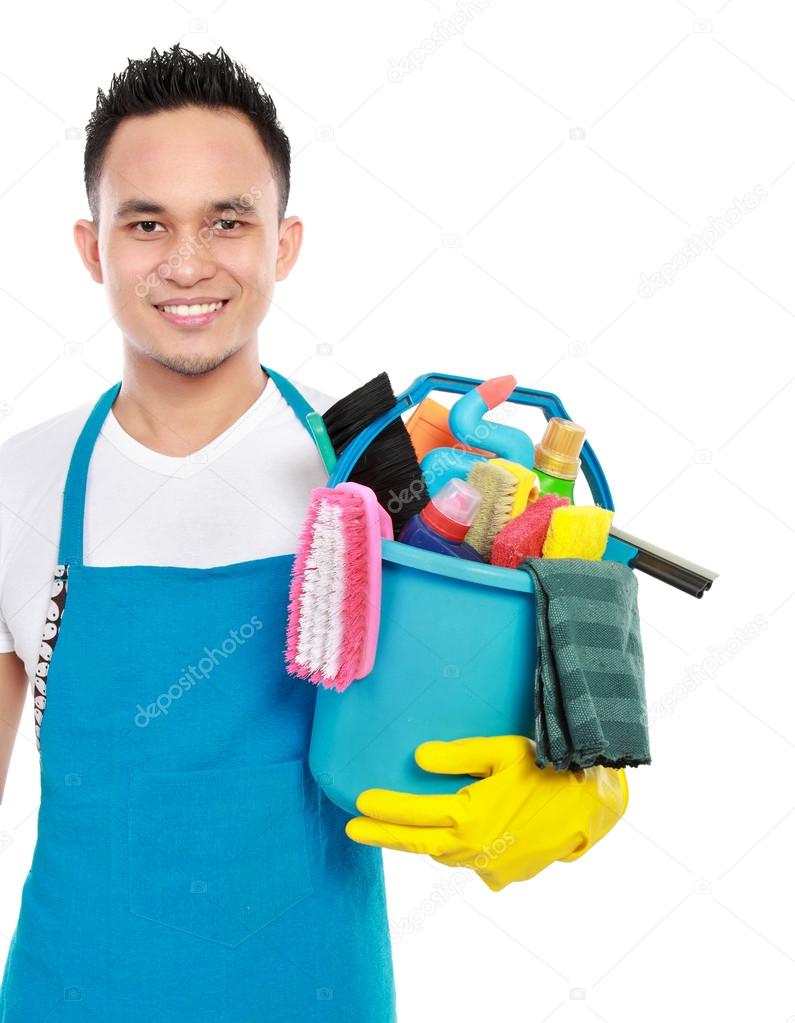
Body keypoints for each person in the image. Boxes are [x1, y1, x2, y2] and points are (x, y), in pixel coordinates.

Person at [0, 44, 628, 1022]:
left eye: (228, 221)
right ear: (93, 247)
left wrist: (579, 789)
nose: (187, 261)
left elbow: (499, 665)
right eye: (147, 222)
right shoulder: (14, 483)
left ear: (283, 244)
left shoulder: (376, 460)